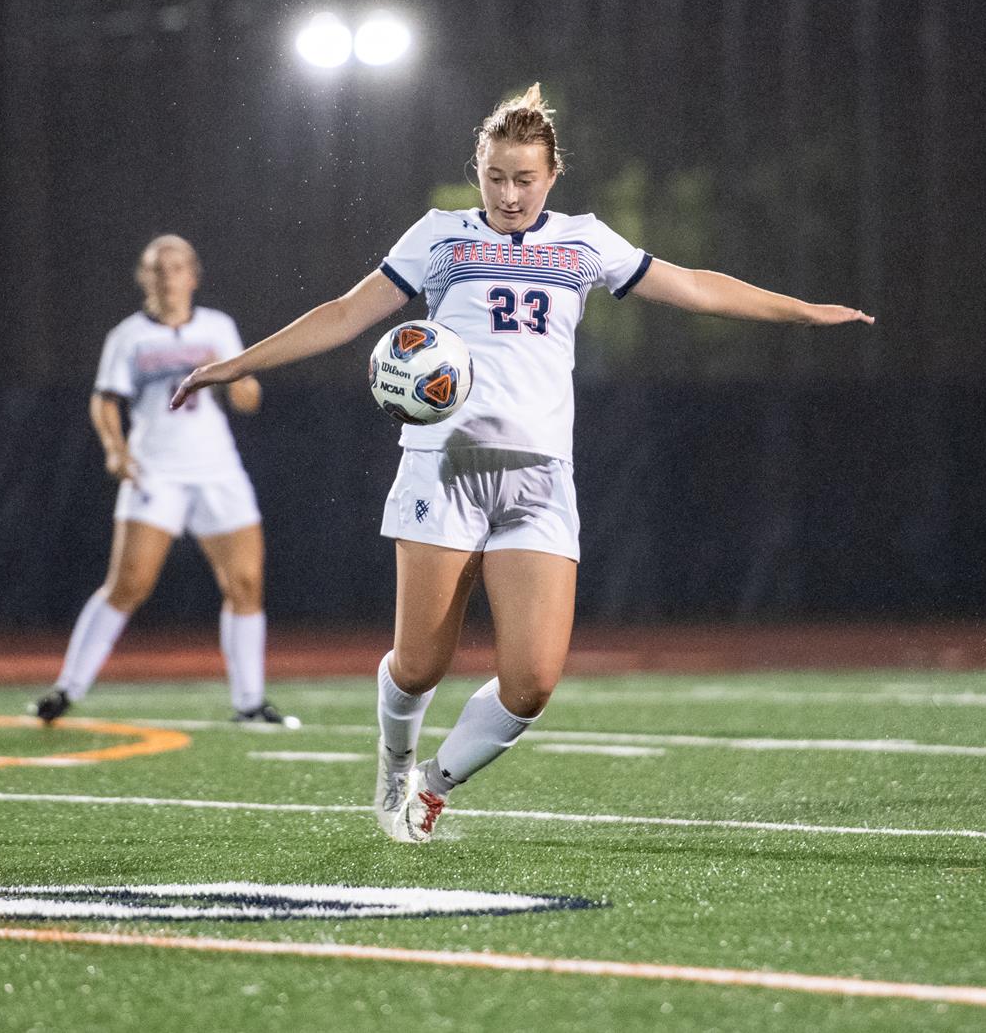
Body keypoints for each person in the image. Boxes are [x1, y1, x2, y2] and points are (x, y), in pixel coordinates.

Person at [172, 85, 872, 842]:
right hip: (445, 466)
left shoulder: (585, 242)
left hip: (539, 477)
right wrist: (231, 365)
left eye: (525, 179)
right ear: (478, 167)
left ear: (553, 176)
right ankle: (393, 759)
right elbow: (345, 313)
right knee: (419, 665)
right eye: (496, 176)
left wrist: (803, 310)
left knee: (532, 681)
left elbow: (697, 286)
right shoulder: (439, 236)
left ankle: (430, 788)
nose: (509, 194)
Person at [33, 235, 296, 727]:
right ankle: (66, 688)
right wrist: (116, 448)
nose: (167, 276)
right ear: (144, 277)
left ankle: (250, 703)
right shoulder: (128, 336)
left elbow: (247, 398)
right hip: (156, 470)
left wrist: (243, 383)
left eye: (176, 267)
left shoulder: (218, 327)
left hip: (217, 468)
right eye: (157, 267)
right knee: (129, 583)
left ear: (192, 276)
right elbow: (104, 400)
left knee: (246, 583)